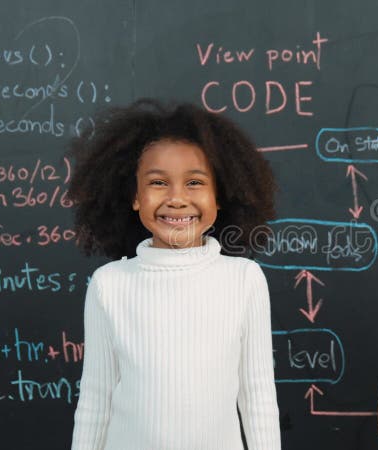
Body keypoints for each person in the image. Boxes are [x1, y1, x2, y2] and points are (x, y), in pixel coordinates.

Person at [68, 99, 281, 450]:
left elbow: (257, 398)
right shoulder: (110, 285)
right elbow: (95, 400)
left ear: (220, 195)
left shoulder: (244, 279)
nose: (176, 198)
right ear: (135, 196)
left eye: (195, 182)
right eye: (157, 183)